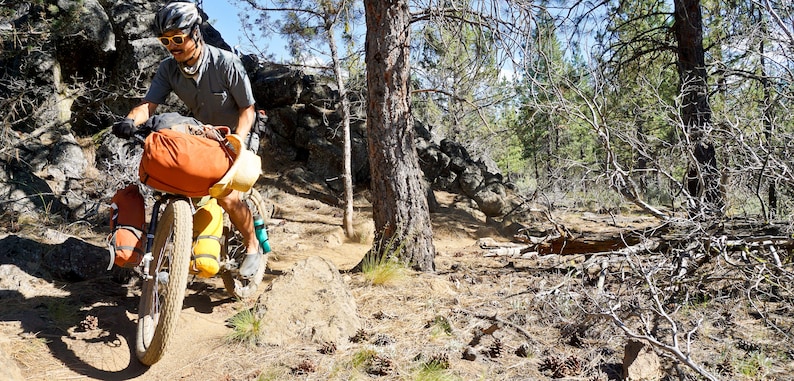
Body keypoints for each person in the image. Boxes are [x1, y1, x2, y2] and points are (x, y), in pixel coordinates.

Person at [112, 1, 262, 278]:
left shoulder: (225, 63)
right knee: (184, 182)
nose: (172, 45)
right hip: (206, 135)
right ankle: (181, 250)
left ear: (196, 33)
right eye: (165, 40)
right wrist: (130, 121)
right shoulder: (168, 69)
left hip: (239, 133)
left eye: (178, 38)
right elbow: (148, 105)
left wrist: (238, 143)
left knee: (228, 198)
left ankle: (252, 245)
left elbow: (247, 109)